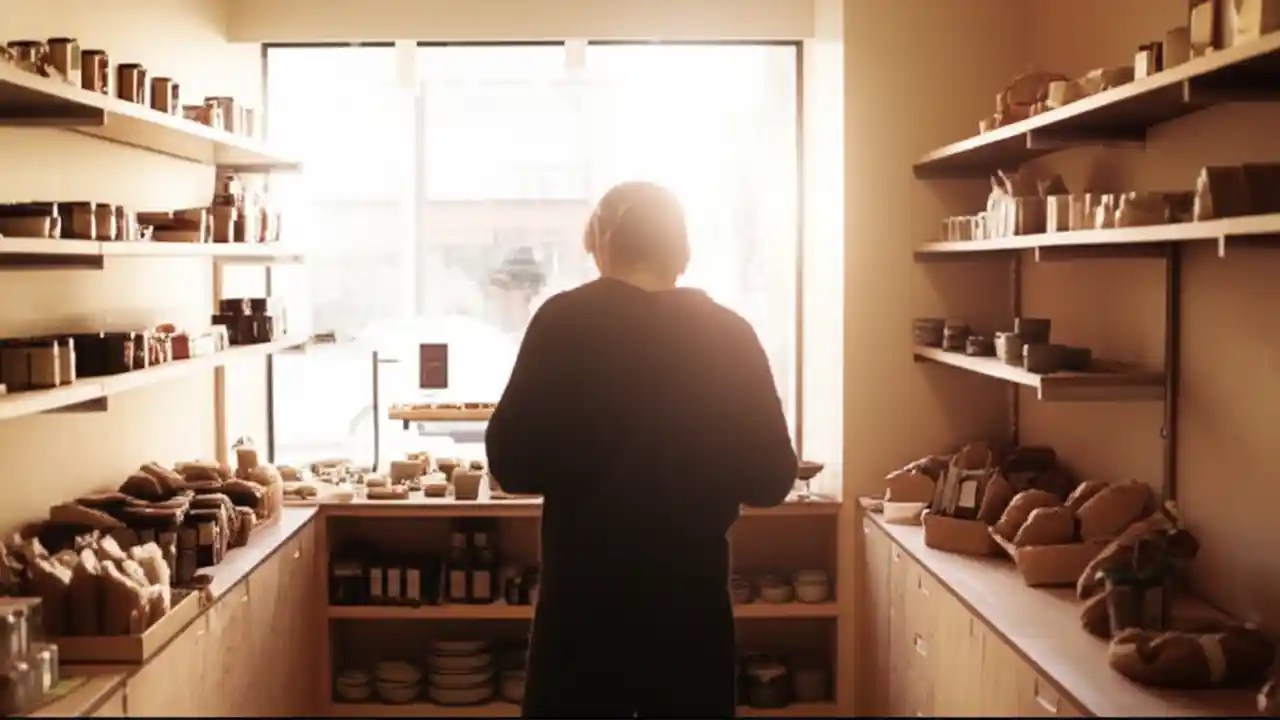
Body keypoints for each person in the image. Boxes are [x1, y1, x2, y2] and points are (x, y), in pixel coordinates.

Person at [485, 181, 798, 718]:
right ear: (682, 251)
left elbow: (511, 463)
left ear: (603, 246)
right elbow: (771, 478)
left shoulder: (563, 323)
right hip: (689, 611)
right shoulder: (728, 335)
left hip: (583, 610)